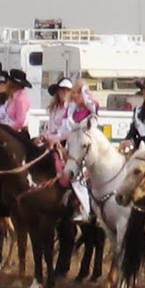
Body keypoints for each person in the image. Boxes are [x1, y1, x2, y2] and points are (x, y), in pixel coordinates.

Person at [43, 77, 98, 216]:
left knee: (77, 170)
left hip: (85, 145)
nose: (71, 95)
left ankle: (84, 206)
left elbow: (88, 127)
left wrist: (58, 138)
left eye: (74, 92)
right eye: (69, 91)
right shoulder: (71, 110)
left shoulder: (89, 110)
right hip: (70, 143)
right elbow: (63, 127)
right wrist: (51, 137)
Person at [0, 68, 33, 134]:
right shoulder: (13, 97)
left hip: (17, 134)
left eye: (8, 81)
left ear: (13, 84)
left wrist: (4, 129)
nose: (7, 83)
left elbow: (20, 122)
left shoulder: (21, 99)